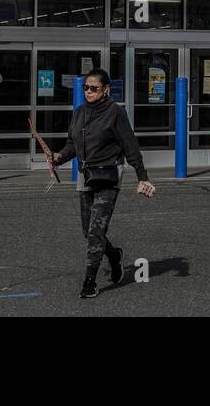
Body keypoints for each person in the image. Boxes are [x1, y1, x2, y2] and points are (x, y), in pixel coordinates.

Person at [49, 68, 155, 298]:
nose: (88, 91)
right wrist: (59, 157)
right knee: (88, 231)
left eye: (93, 88)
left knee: (97, 229)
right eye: (85, 87)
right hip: (85, 175)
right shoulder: (79, 113)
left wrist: (142, 177)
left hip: (108, 175)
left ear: (105, 90)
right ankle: (114, 254)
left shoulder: (115, 112)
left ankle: (90, 281)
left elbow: (130, 146)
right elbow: (71, 144)